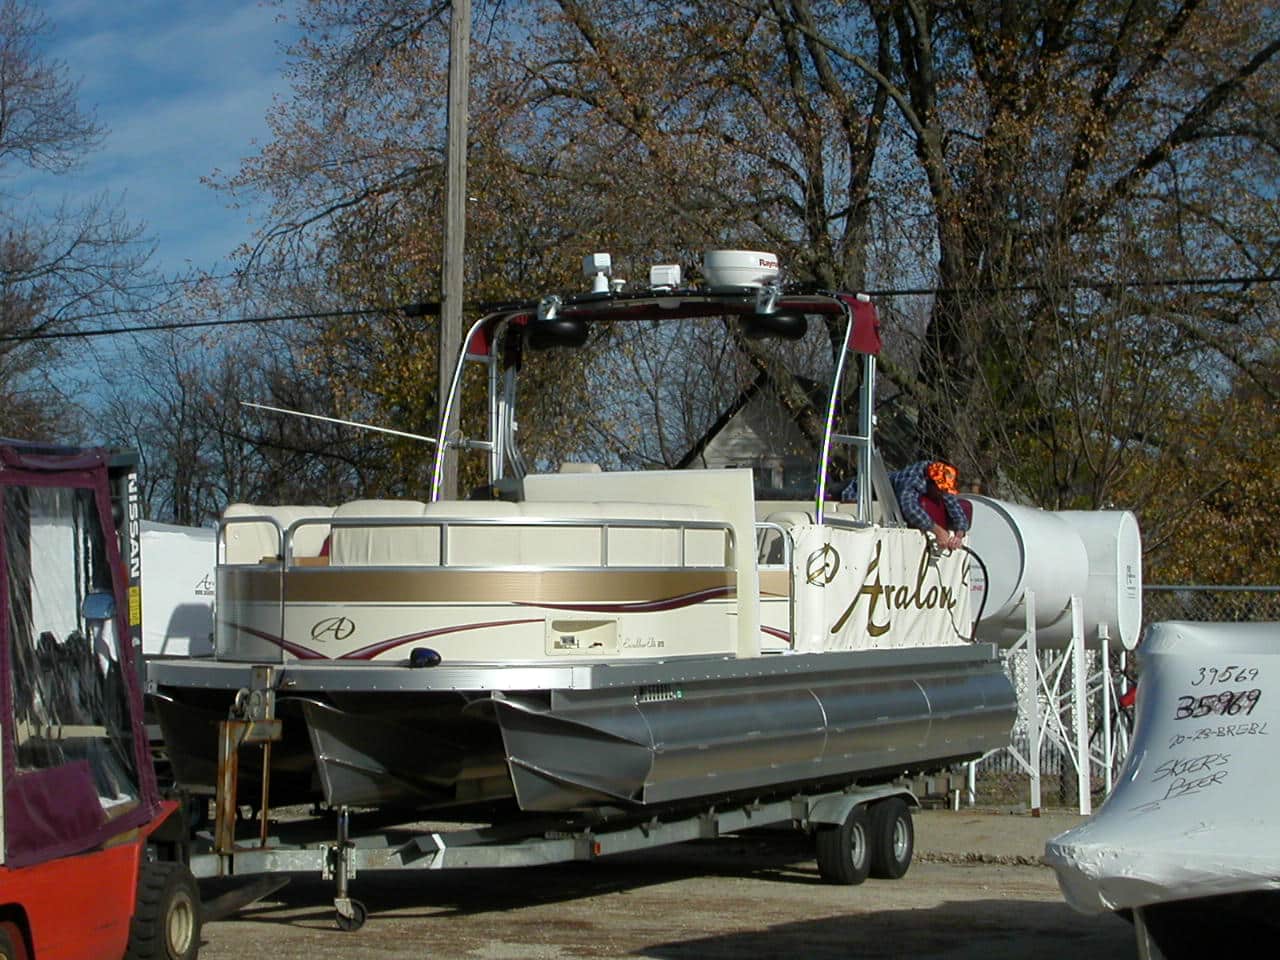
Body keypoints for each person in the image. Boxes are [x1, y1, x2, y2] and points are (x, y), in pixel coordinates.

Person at [890, 460, 971, 550]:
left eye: (944, 490)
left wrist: (958, 536)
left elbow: (956, 508)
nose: (942, 494)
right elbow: (910, 509)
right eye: (940, 491)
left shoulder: (942, 477)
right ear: (930, 482)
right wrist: (939, 532)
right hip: (880, 495)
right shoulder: (913, 479)